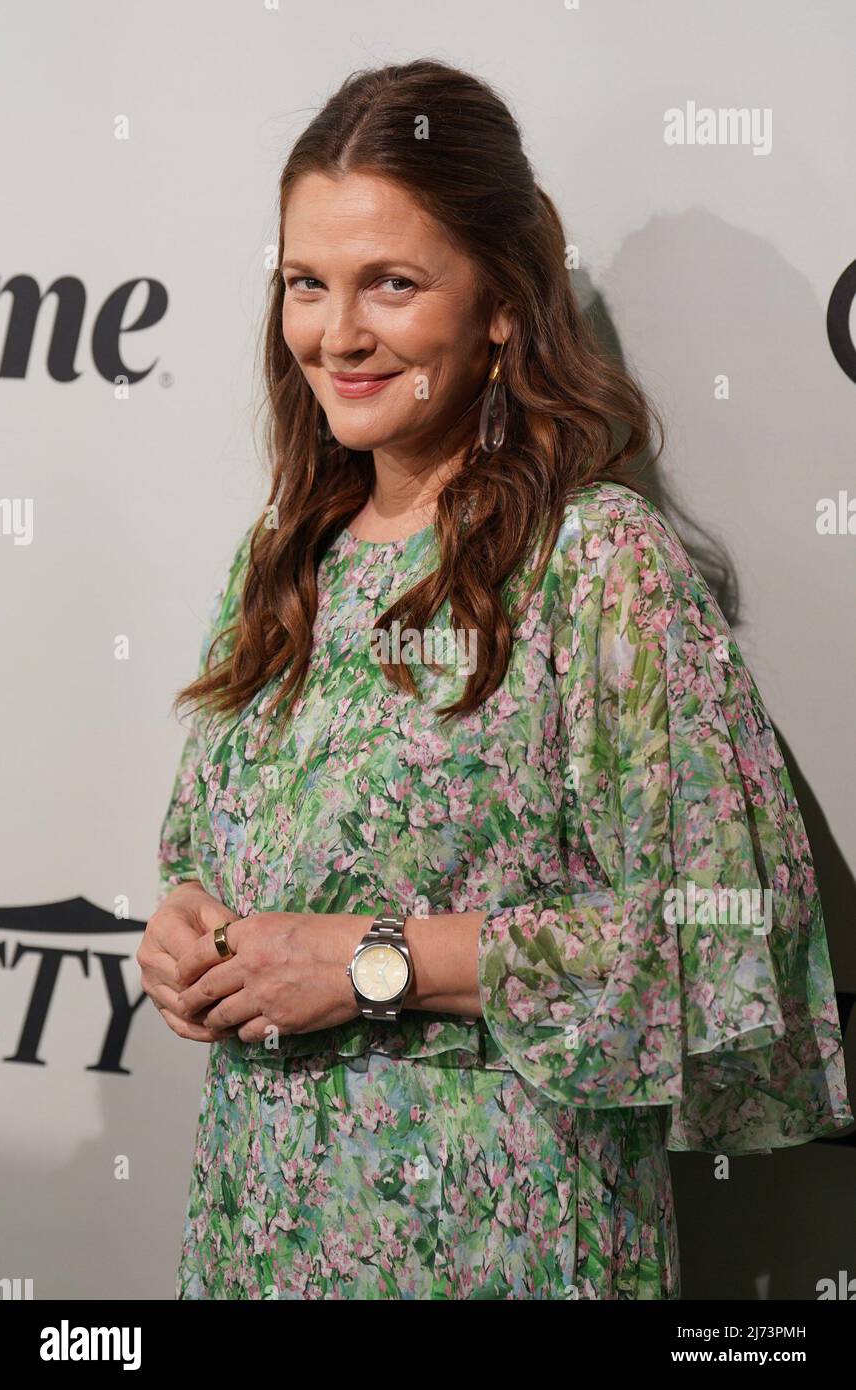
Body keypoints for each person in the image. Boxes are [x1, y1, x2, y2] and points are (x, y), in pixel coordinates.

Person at [136, 58, 852, 1300]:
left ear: (502, 304)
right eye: (308, 284)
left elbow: (716, 947)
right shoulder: (280, 557)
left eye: (391, 284)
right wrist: (183, 929)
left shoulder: (596, 567)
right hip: (260, 1230)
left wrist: (371, 961)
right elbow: (210, 851)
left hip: (504, 1244)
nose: (336, 333)